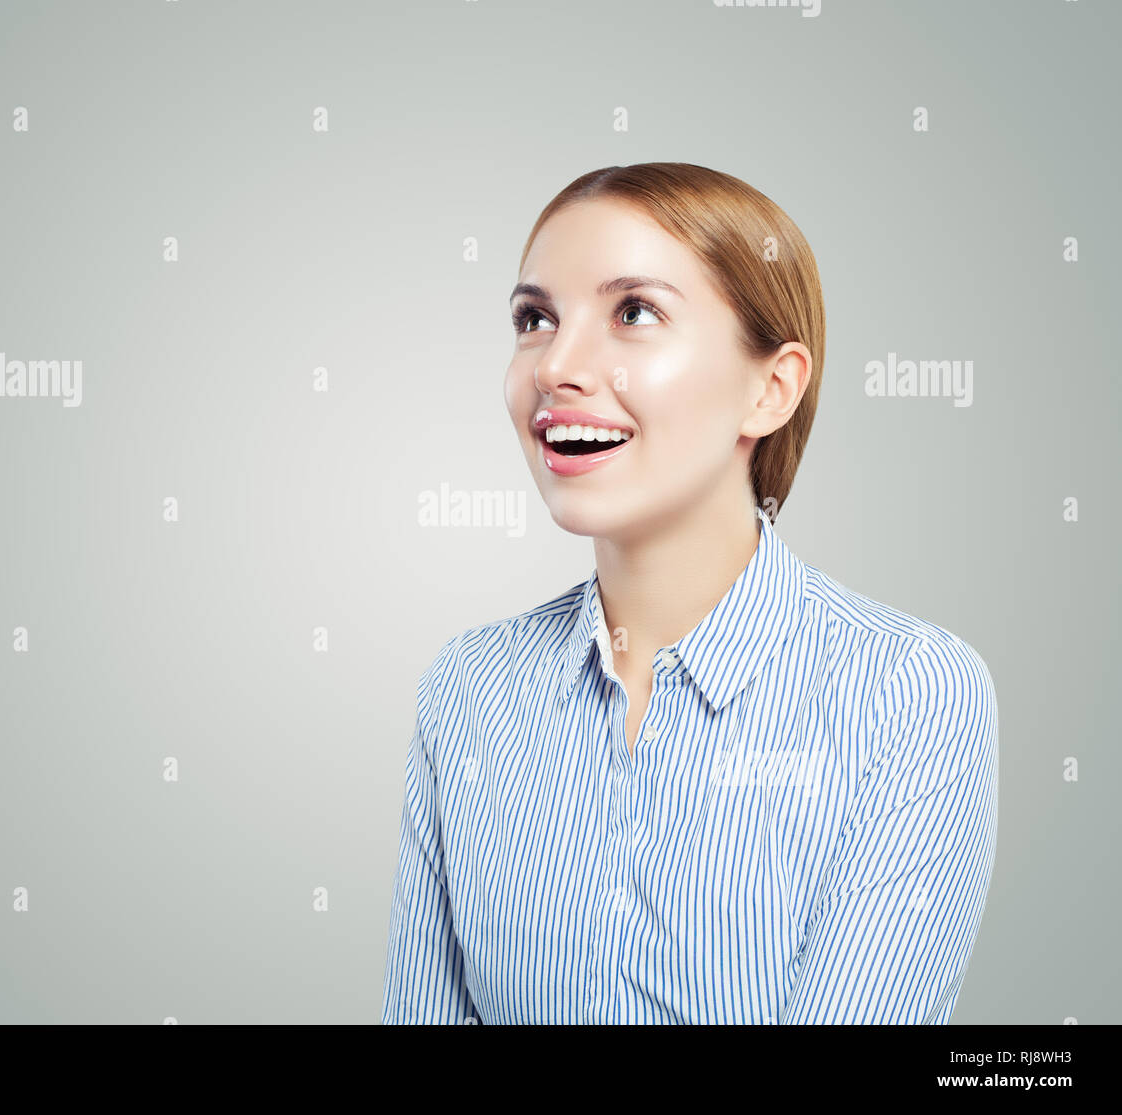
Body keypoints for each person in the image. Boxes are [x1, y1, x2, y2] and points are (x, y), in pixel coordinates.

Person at [381, 162, 998, 1024]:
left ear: (770, 387)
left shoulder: (907, 693)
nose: (556, 364)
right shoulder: (469, 689)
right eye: (535, 319)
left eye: (634, 312)